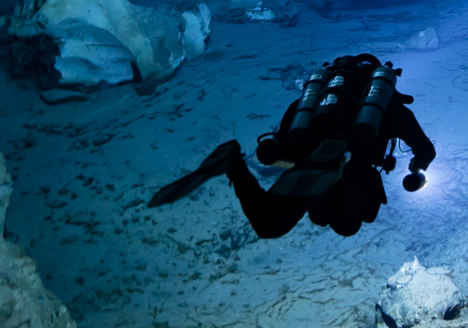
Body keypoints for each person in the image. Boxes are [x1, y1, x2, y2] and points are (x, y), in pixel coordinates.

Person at [150, 54, 436, 238]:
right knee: (357, 221)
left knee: (270, 222)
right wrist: (417, 170)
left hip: (310, 161)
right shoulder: (390, 106)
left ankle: (234, 164)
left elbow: (286, 141)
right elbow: (426, 150)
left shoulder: (314, 99)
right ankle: (323, 178)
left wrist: (278, 156)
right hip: (352, 170)